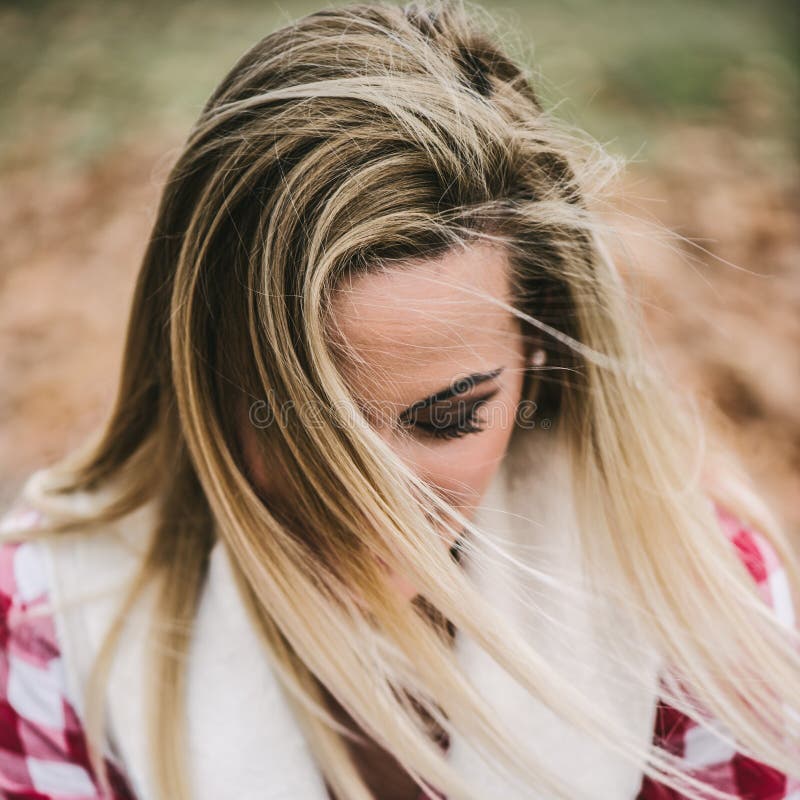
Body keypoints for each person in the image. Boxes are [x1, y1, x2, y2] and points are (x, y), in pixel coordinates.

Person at [1, 2, 798, 799]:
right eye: (306, 420)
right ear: (201, 370)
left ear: (539, 355)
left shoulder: (702, 619)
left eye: (447, 417)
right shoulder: (49, 627)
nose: (370, 502)